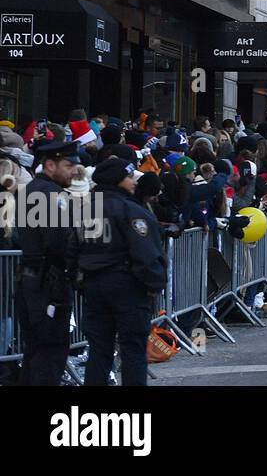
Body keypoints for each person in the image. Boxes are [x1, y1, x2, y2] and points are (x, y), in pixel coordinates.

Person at [71, 156, 168, 386]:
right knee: (132, 349)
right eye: (127, 176)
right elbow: (145, 252)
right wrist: (154, 284)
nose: (133, 180)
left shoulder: (84, 210)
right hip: (127, 286)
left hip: (94, 286)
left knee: (99, 350)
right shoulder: (130, 210)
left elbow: (71, 249)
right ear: (116, 180)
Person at [15, 138, 81, 386]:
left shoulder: (32, 189)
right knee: (50, 351)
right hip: (48, 281)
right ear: (50, 165)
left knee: (36, 349)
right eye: (68, 165)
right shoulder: (51, 194)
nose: (74, 171)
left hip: (32, 278)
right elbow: (59, 240)